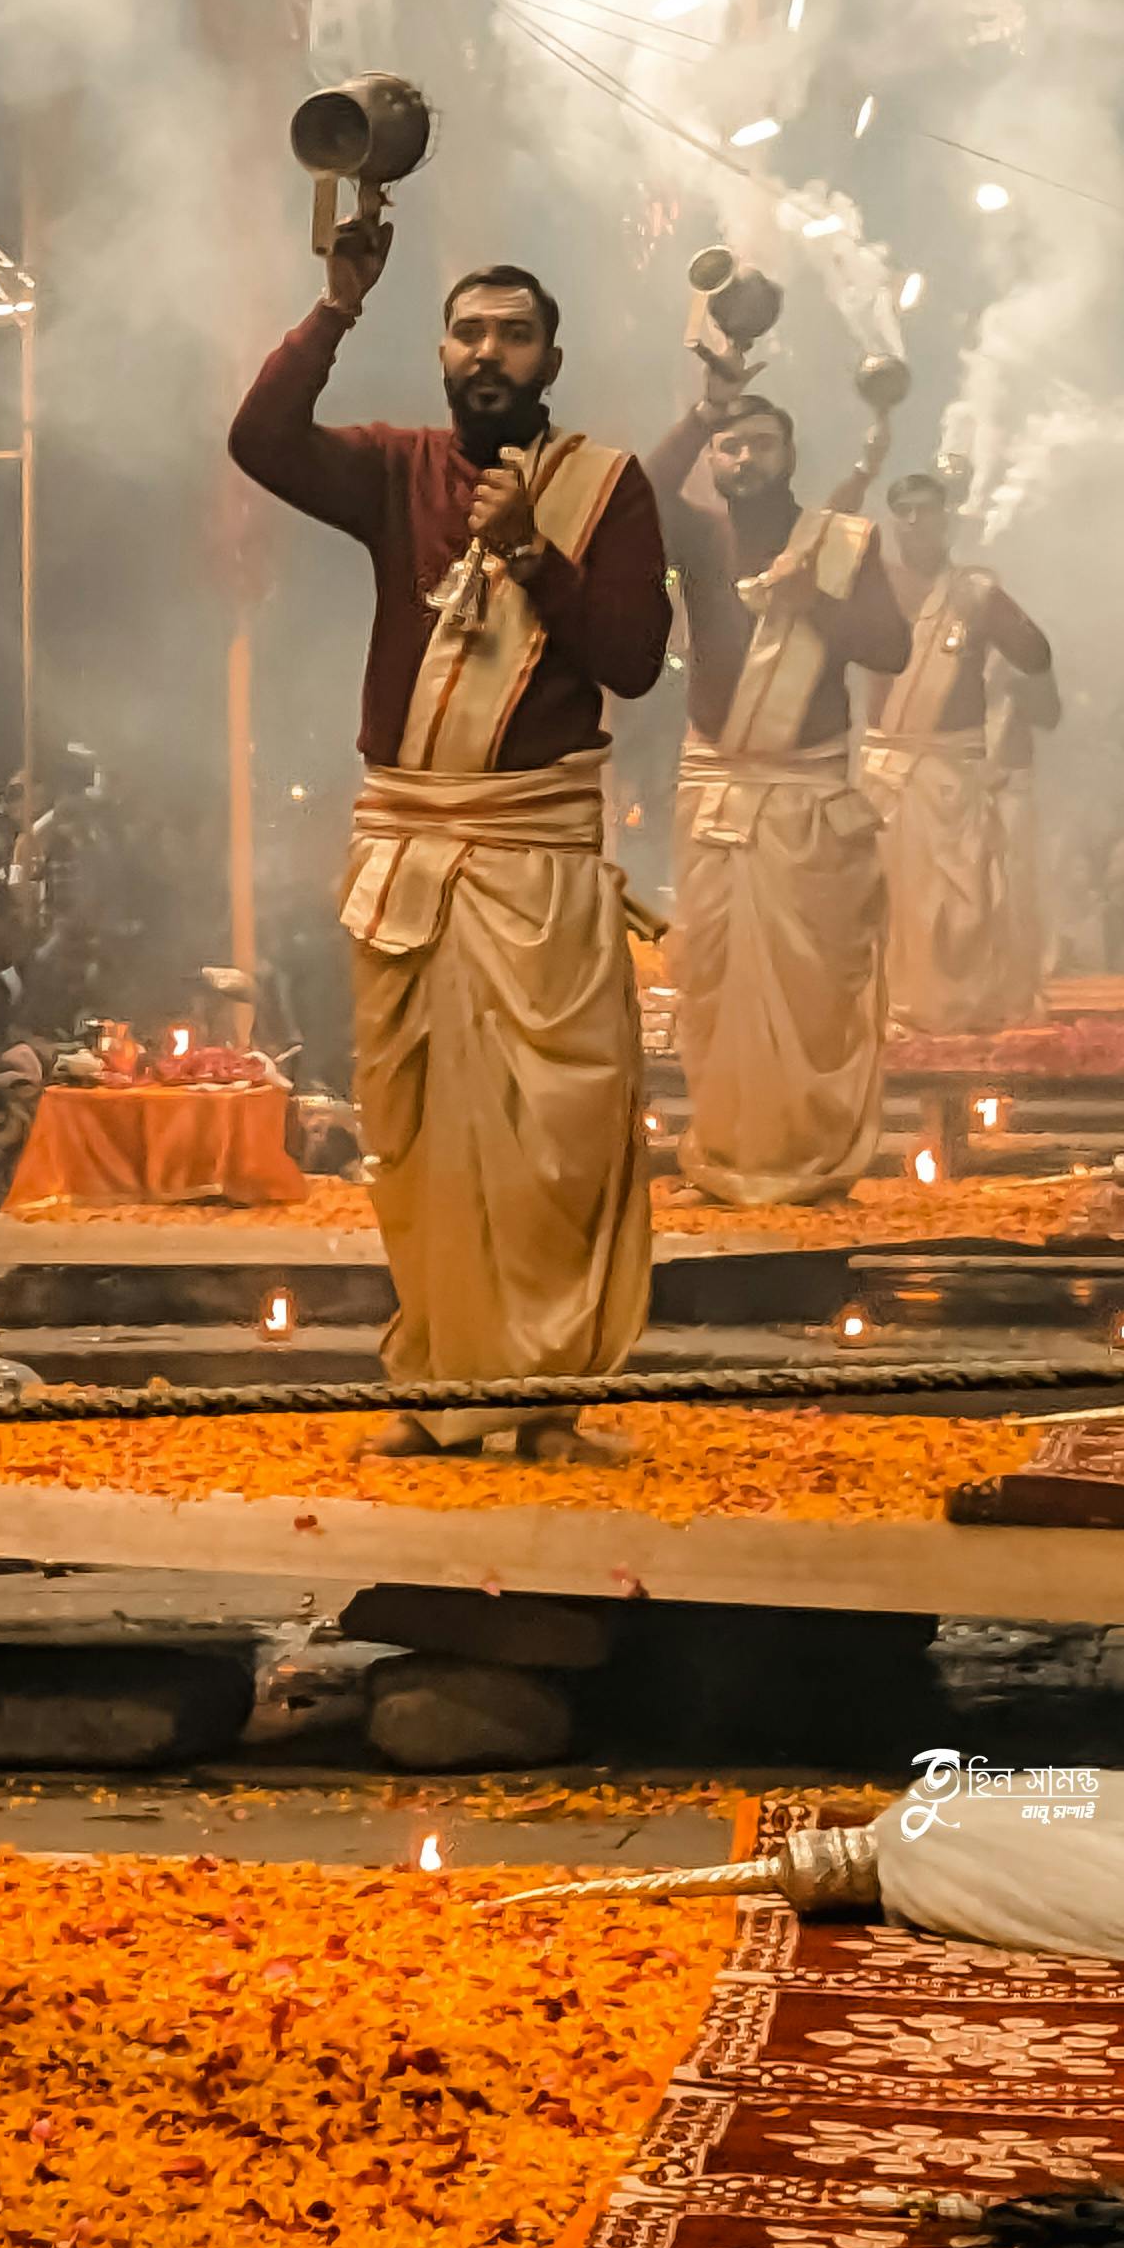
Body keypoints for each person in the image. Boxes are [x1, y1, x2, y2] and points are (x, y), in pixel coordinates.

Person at [229, 243, 671, 1455]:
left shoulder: (609, 487)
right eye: (468, 331)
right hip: (410, 855)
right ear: (439, 352)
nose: (488, 352)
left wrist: (532, 551)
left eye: (513, 334)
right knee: (414, 1137)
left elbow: (632, 657)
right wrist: (335, 304)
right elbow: (261, 439)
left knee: (557, 1141)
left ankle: (544, 1394)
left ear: (550, 360)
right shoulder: (393, 469)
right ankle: (438, 1379)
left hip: (537, 863)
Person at [647, 303, 910, 1207]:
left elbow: (892, 649)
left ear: (790, 457)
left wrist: (812, 602)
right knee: (714, 985)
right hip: (715, 791)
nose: (744, 459)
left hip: (805, 801)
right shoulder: (697, 536)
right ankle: (727, 1145)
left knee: (810, 990)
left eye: (760, 444)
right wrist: (702, 414)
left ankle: (806, 1152)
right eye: (731, 448)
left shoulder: (840, 544)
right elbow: (632, 498)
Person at [847, 470, 1057, 1035]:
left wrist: (991, 605)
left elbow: (1036, 656)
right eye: (904, 510)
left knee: (959, 907)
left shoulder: (973, 591)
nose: (916, 520)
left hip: (951, 775)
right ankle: (889, 1014)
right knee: (886, 902)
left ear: (947, 519)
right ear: (893, 521)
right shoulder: (871, 584)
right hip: (886, 774)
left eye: (927, 509)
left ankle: (960, 1018)